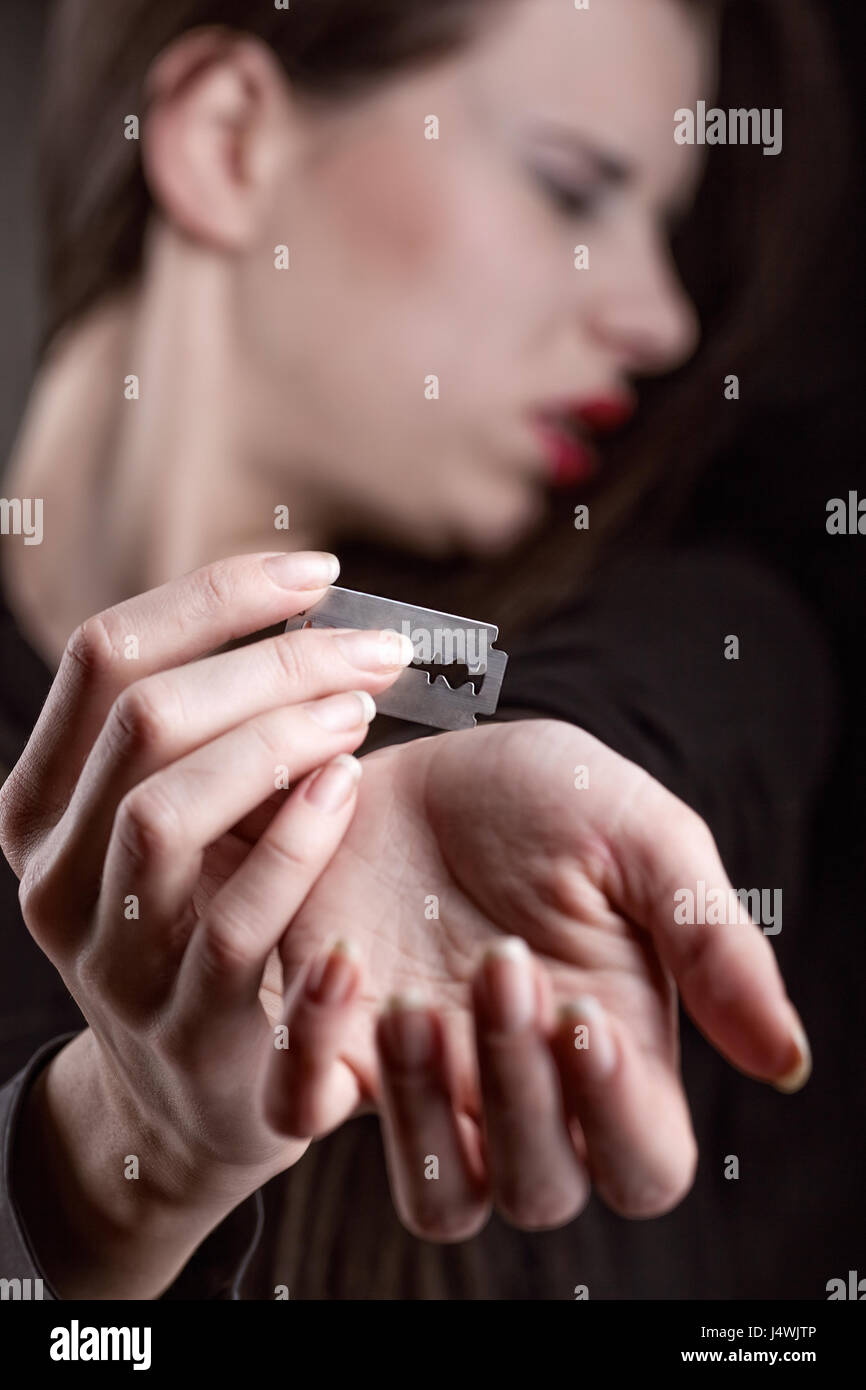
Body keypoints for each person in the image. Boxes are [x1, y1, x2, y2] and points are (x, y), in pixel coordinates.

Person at [0, 0, 847, 1299]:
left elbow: (640, 721)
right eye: (573, 188)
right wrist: (114, 1157)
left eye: (665, 229)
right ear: (227, 138)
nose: (659, 319)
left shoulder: (667, 629)